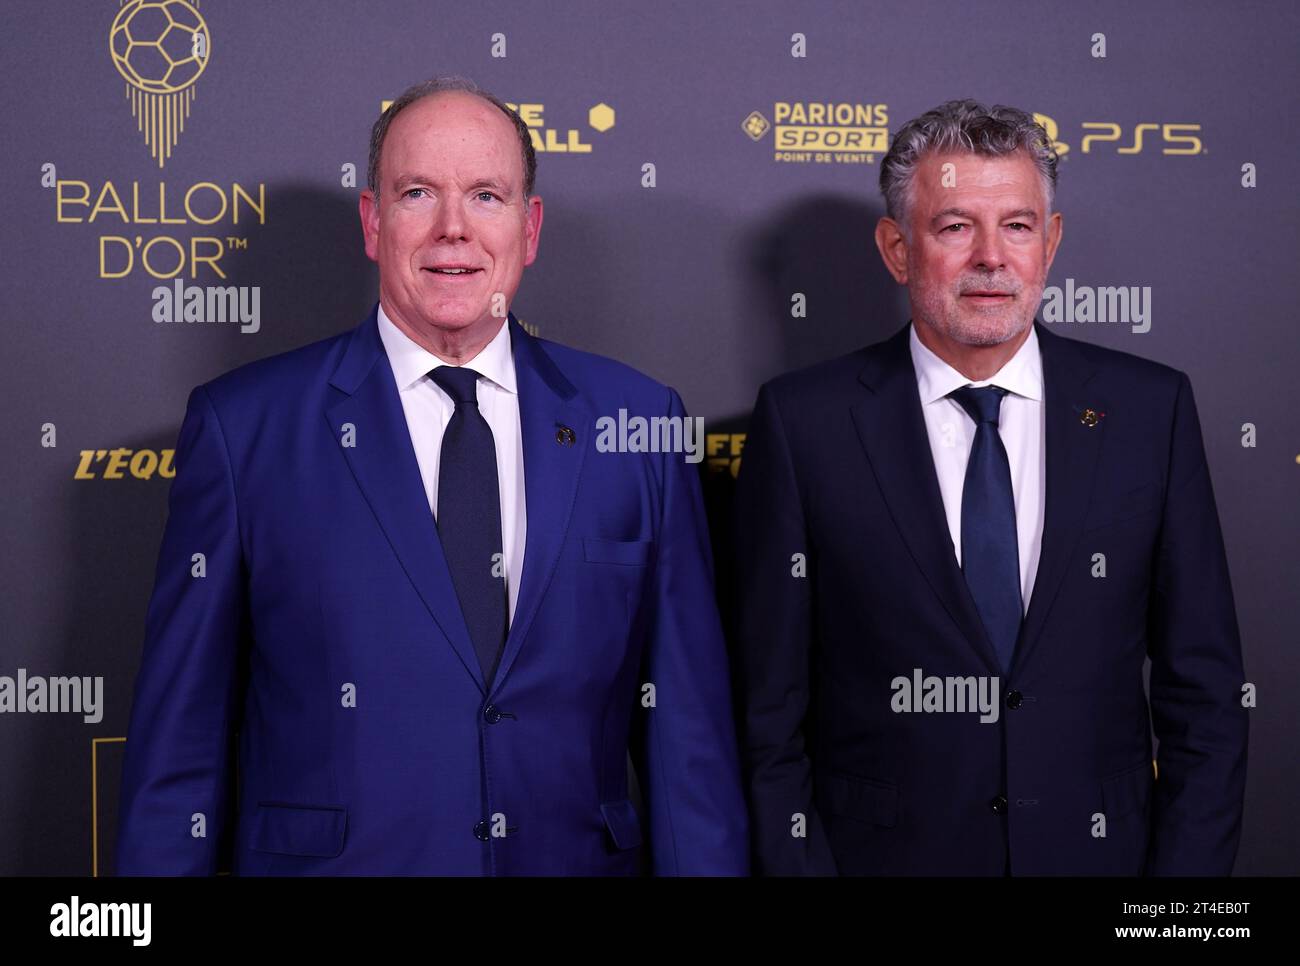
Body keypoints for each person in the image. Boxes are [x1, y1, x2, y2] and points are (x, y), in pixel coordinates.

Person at [116, 76, 748, 876]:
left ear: (530, 226)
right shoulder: (246, 430)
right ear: (374, 223)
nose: (455, 229)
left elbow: (688, 743)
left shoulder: (639, 425)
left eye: (487, 196)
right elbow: (180, 748)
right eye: (418, 193)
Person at [733, 99, 1247, 875]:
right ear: (896, 249)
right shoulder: (805, 423)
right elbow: (768, 717)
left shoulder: (1151, 410)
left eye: (1016, 224)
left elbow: (1205, 697)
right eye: (953, 227)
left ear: (1052, 240)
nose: (991, 258)